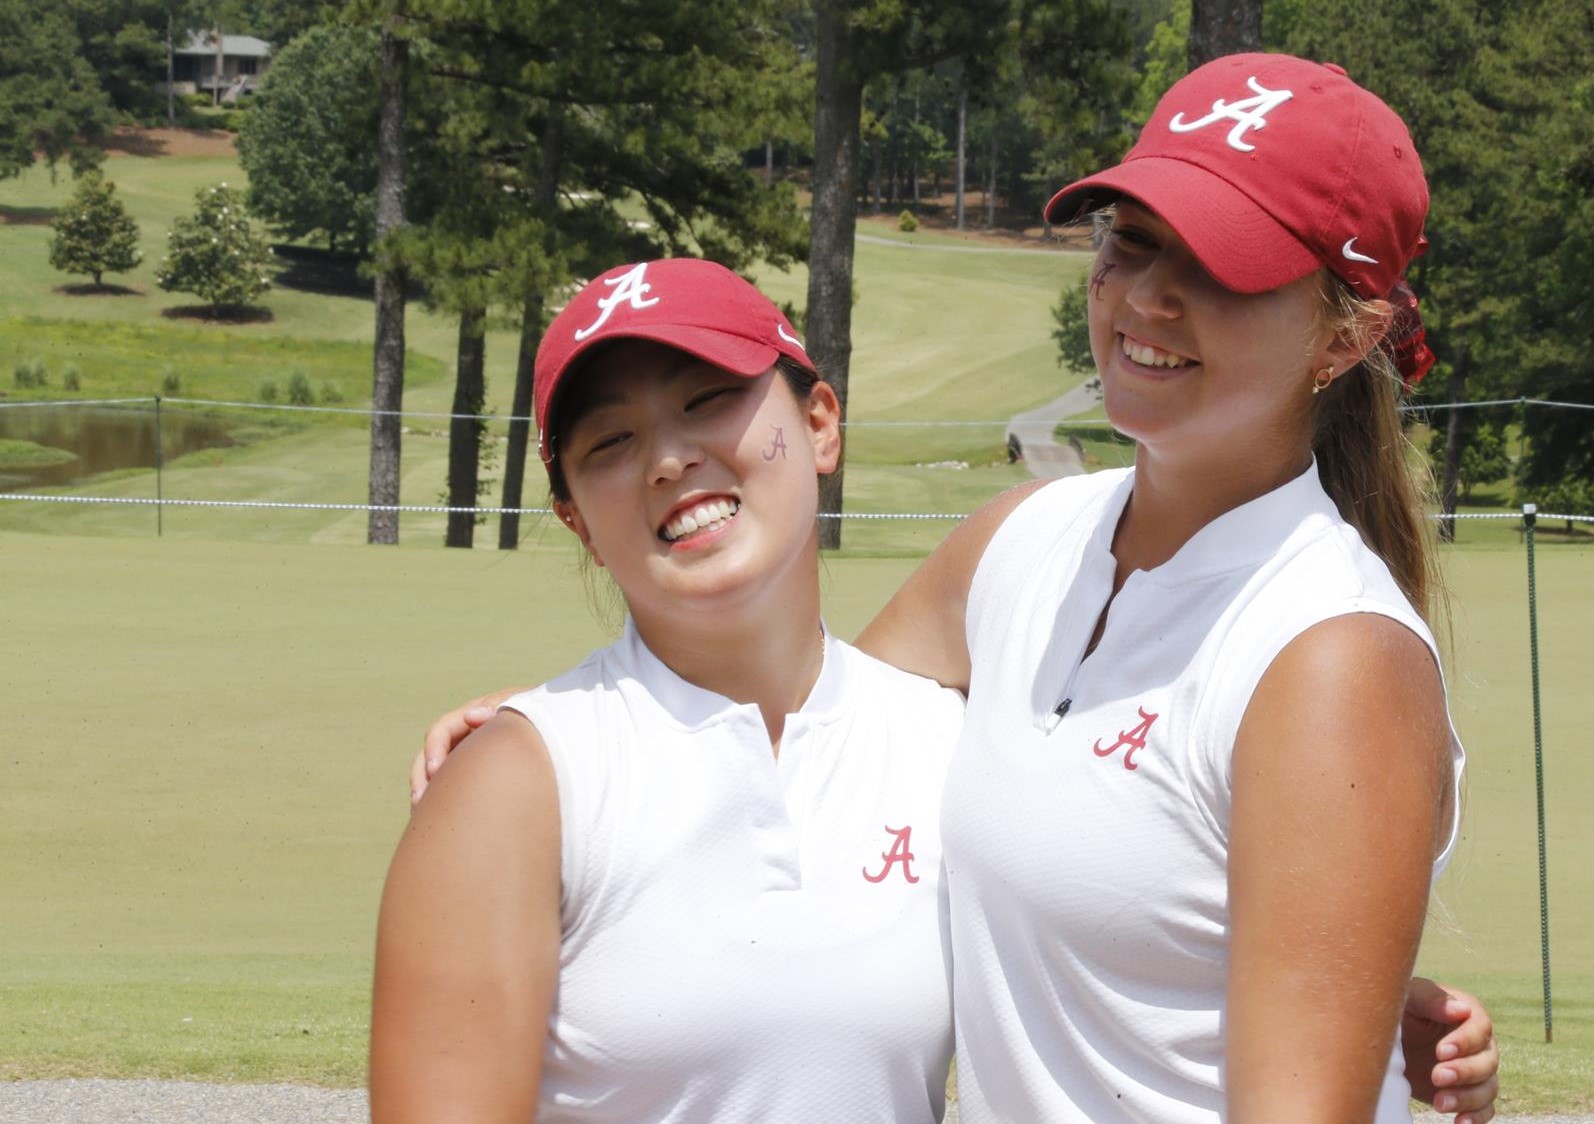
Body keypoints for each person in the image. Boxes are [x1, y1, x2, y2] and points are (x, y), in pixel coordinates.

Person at [413, 54, 1502, 1123]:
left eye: (1222, 266)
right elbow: (816, 736)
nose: (1149, 295)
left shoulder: (1330, 655)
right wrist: (545, 750)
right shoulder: (1023, 541)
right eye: (1130, 238)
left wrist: (1335, 993)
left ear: (1344, 333)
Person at [372, 259, 966, 1122]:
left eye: (708, 399)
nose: (669, 458)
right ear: (574, 515)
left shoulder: (948, 744)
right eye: (610, 442)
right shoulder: (516, 788)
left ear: (820, 422)